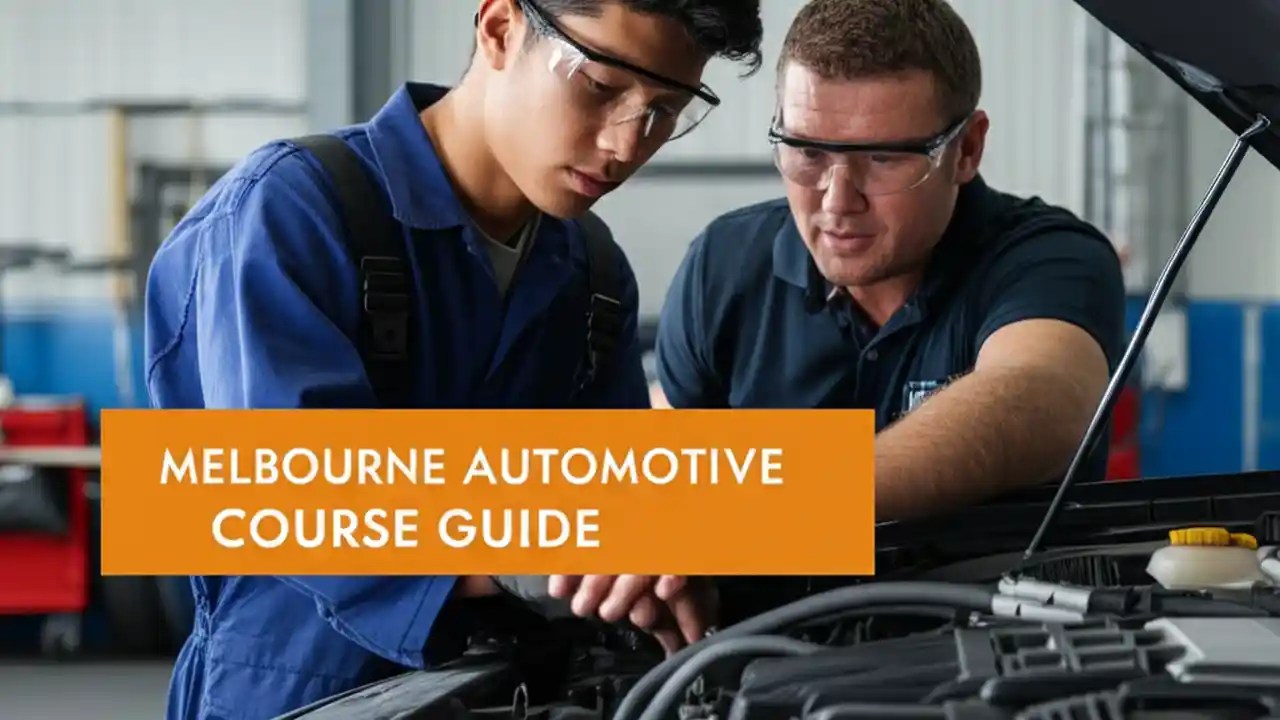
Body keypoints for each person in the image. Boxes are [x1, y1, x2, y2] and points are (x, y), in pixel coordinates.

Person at [143, 0, 762, 716]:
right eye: (598, 87)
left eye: (665, 109)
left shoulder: (592, 275)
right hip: (291, 696)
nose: (627, 143)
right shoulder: (290, 212)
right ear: (499, 28)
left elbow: (615, 507)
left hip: (511, 691)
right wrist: (540, 549)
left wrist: (658, 575)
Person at [654, 0, 1127, 522]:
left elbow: (1039, 403)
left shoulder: (1050, 258)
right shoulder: (724, 263)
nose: (836, 201)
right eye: (808, 153)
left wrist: (751, 511)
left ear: (966, 149)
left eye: (882, 159)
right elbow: (656, 481)